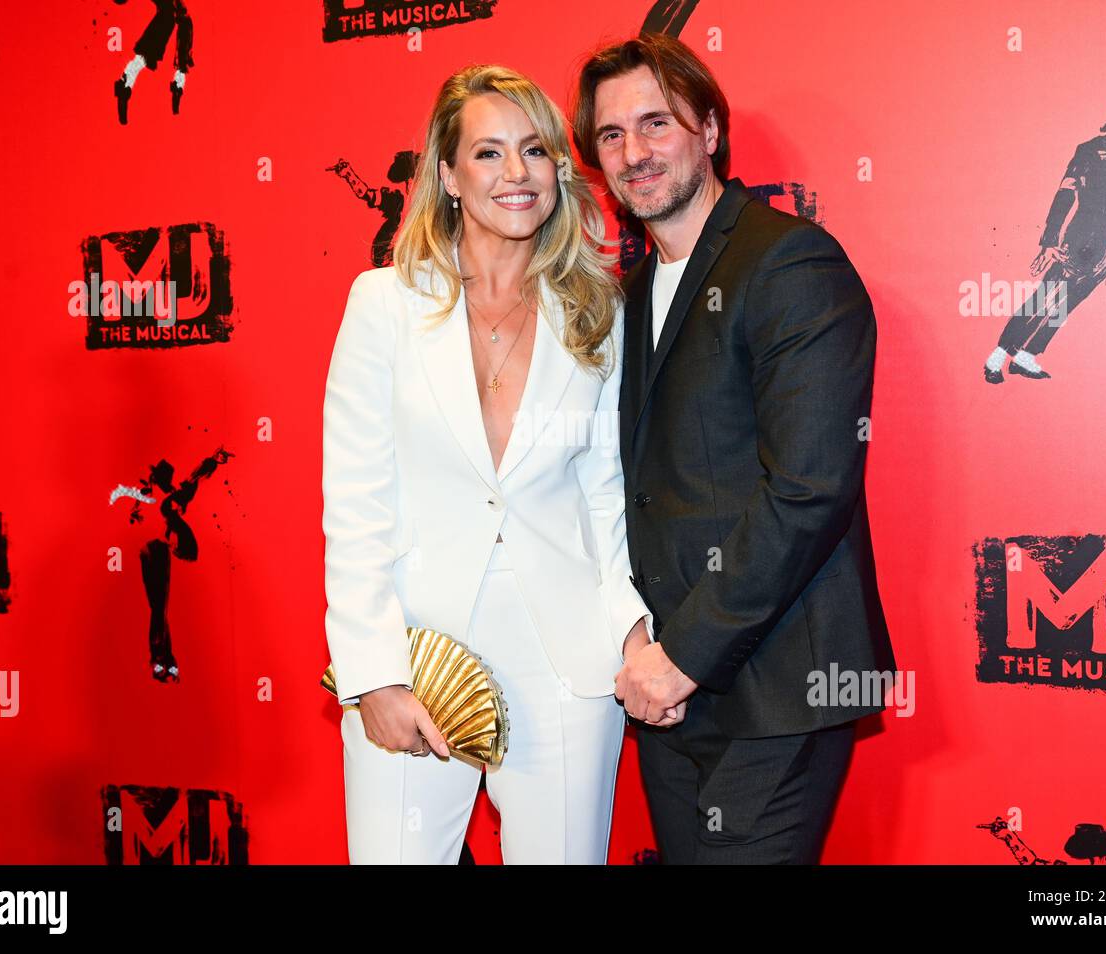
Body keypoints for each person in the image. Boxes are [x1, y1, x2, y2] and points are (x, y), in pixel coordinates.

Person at [322, 63, 666, 864]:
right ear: (446, 174)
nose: (517, 174)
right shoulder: (383, 305)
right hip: (415, 652)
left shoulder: (598, 313)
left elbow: (605, 497)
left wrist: (631, 633)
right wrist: (372, 675)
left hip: (567, 660)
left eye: (536, 151)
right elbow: (356, 505)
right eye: (488, 153)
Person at [572, 33, 897, 864]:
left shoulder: (787, 261)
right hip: (669, 692)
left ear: (709, 131)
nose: (635, 152)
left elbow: (809, 487)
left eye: (657, 123)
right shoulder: (630, 295)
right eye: (612, 135)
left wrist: (684, 654)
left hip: (774, 689)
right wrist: (645, 648)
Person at [983, 84, 1106, 383]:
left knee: (1069, 302)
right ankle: (997, 357)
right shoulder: (1092, 149)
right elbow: (1065, 194)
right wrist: (1050, 241)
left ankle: (1026, 356)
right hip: (1081, 241)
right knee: (1044, 298)